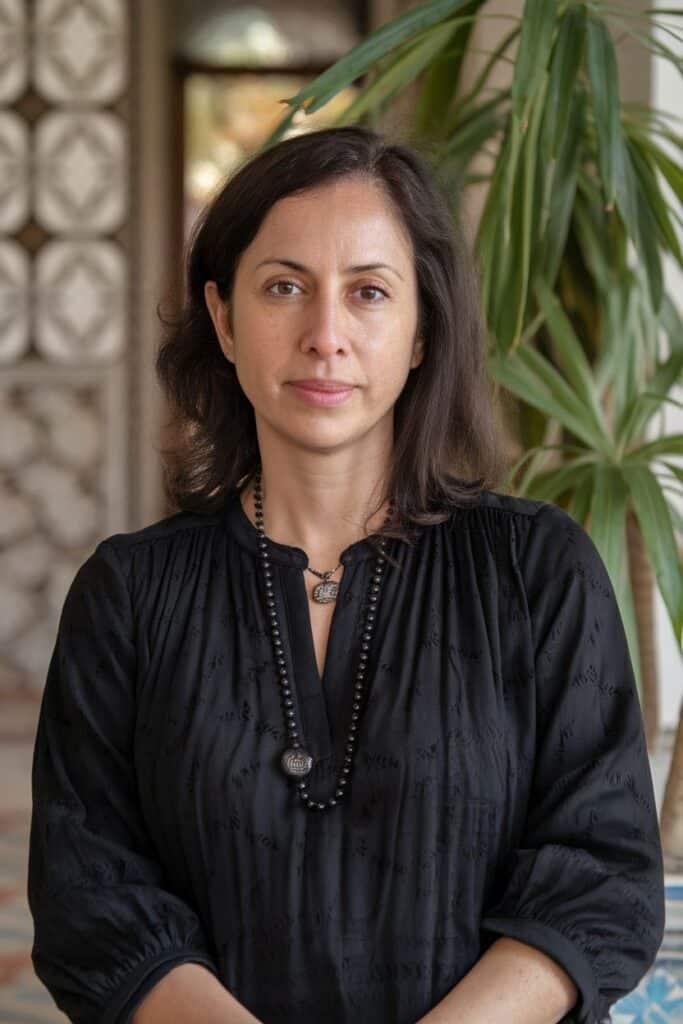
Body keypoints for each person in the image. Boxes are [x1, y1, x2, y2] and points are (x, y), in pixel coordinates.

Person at [27, 125, 665, 1024]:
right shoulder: (130, 594)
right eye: (283, 287)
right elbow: (90, 897)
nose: (324, 335)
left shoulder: (535, 568)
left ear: (418, 332)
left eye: (368, 292)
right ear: (222, 318)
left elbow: (598, 878)